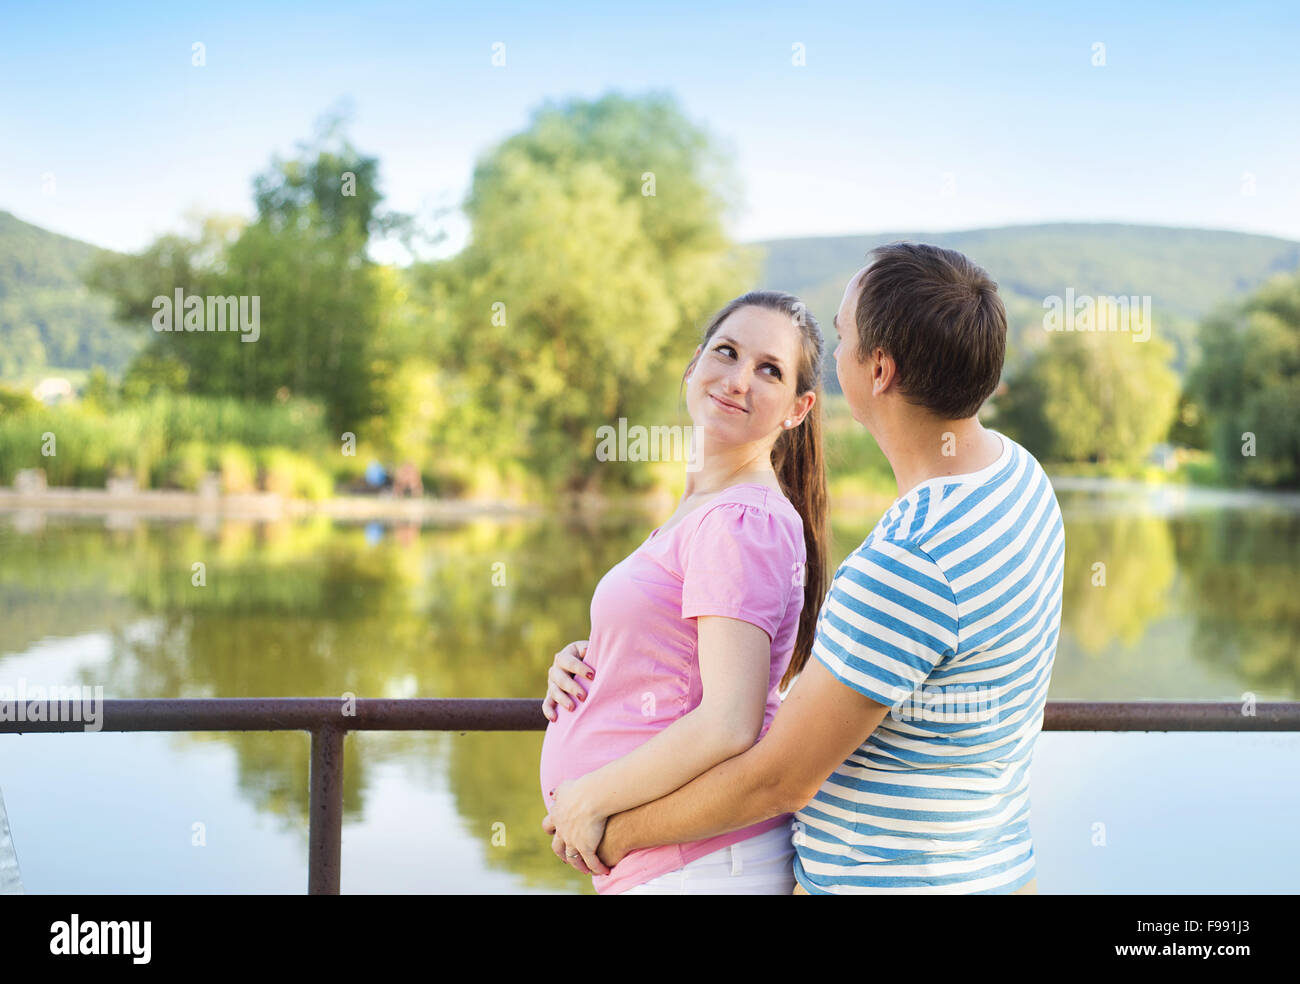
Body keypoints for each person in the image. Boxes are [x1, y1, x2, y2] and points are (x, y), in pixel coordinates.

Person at [548, 243, 1065, 894]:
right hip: (994, 871)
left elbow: (780, 778)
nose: (836, 345)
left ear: (877, 370)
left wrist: (609, 827)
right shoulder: (1018, 477)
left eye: (843, 335)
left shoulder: (909, 563)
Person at [538, 290, 830, 894]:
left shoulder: (741, 521)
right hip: (674, 864)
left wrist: (588, 799)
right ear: (693, 365)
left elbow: (729, 721)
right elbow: (680, 660)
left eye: (769, 370)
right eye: (726, 353)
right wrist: (591, 664)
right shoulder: (703, 510)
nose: (738, 379)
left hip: (700, 867)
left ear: (797, 410)